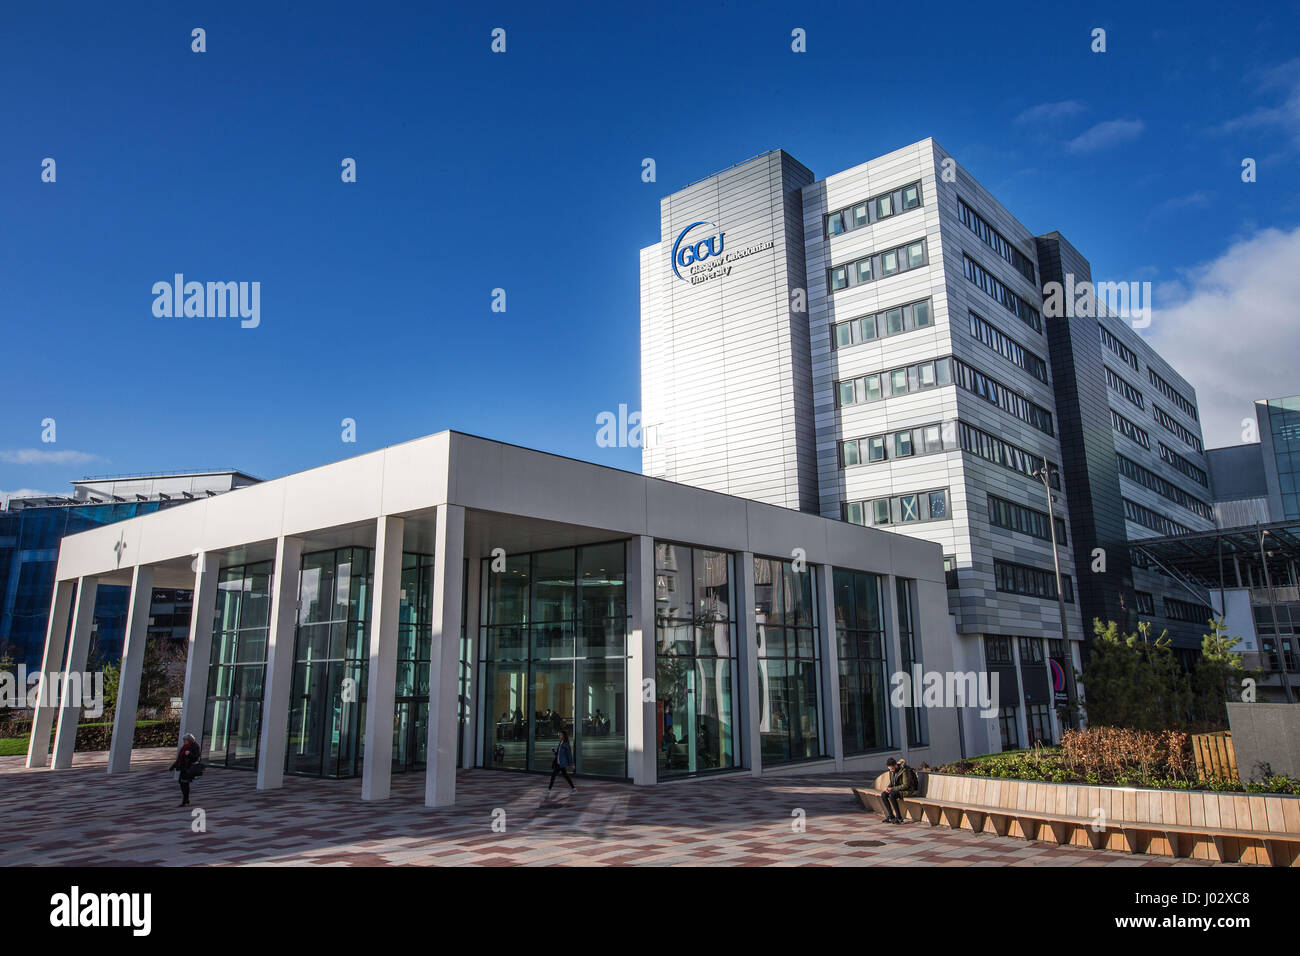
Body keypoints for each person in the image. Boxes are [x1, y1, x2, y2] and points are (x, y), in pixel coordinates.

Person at [880, 756, 918, 824]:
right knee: (883, 795)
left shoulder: (904, 770)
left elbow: (906, 785)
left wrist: (892, 789)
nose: (891, 771)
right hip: (898, 789)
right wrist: (888, 788)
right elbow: (892, 783)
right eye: (889, 769)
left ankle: (899, 817)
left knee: (892, 795)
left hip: (908, 790)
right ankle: (891, 816)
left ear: (895, 765)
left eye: (892, 769)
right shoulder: (891, 771)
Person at [168, 733, 202, 807]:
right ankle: (186, 800)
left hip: (189, 768)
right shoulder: (185, 746)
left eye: (185, 740)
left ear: (189, 740)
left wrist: (189, 754)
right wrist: (173, 766)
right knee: (182, 783)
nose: (184, 741)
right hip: (183, 768)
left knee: (184, 784)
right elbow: (180, 758)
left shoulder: (195, 746)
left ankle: (185, 800)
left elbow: (196, 757)